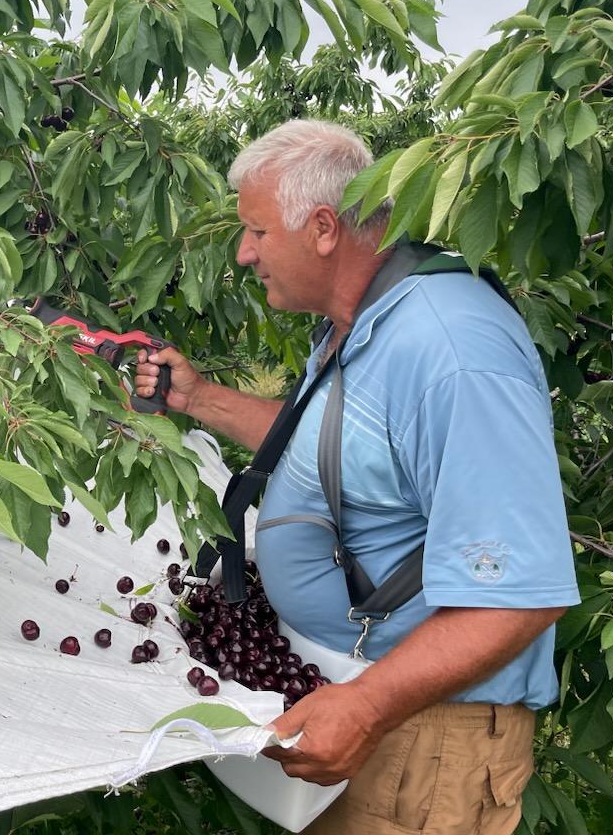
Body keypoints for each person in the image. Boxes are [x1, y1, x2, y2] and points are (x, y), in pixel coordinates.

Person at [133, 119, 579, 835]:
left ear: (322, 228)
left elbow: (522, 593)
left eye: (255, 232)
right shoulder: (366, 320)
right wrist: (199, 399)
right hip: (358, 703)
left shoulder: (451, 348)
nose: (243, 255)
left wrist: (368, 706)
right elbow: (344, 448)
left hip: (422, 736)